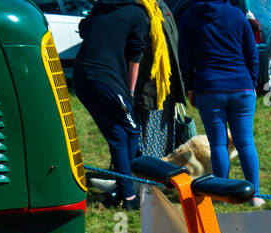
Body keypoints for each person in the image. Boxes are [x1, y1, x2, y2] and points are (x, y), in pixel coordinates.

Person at [177, 0, 264, 207]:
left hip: (208, 88)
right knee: (245, 142)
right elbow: (252, 54)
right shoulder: (237, 15)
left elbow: (185, 59)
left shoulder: (190, 17)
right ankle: (256, 195)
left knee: (218, 144)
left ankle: (221, 194)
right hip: (241, 87)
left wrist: (190, 87)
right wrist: (250, 84)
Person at [71, 0, 150, 209]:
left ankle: (124, 190)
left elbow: (84, 29)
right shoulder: (138, 13)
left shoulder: (100, 7)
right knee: (132, 130)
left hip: (81, 78)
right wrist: (130, 92)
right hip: (106, 80)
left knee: (118, 135)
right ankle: (128, 192)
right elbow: (136, 55)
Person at [133, 0, 187, 159]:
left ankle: (158, 175)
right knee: (146, 138)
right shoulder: (137, 9)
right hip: (145, 89)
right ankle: (145, 177)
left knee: (165, 139)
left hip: (166, 87)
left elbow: (174, 47)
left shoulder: (161, 7)